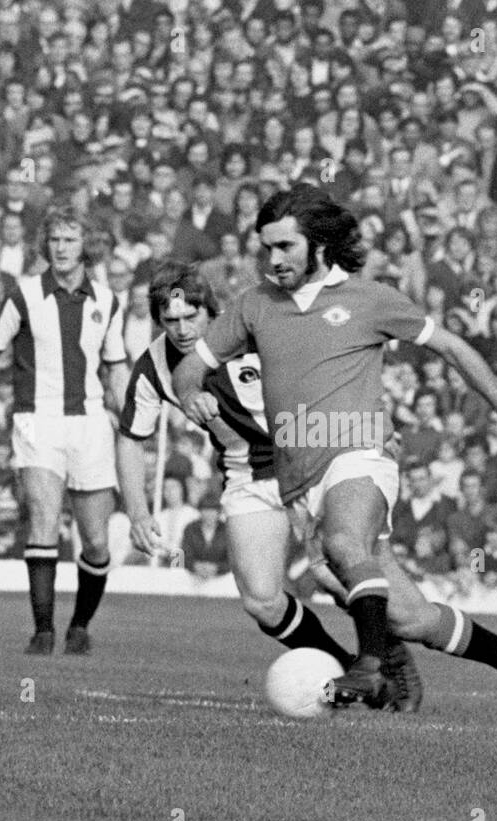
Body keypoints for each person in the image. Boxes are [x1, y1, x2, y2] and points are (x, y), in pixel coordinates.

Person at [174, 184, 497, 726]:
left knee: (343, 540)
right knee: (410, 617)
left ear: (319, 245)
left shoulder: (369, 300)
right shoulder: (254, 305)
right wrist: (191, 390)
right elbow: (190, 364)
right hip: (299, 482)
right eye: (267, 248)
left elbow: (451, 347)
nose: (274, 259)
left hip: (361, 457)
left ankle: (368, 666)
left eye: (285, 247)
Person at [115, 261, 352, 669]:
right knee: (262, 601)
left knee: (335, 572)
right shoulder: (152, 366)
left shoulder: (252, 332)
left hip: (307, 455)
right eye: (170, 321)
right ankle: (345, 665)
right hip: (246, 472)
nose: (182, 330)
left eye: (192, 317)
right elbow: (131, 439)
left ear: (211, 310)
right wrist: (137, 511)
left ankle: (386, 658)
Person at [0, 207, 130, 655]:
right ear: (43, 245)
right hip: (38, 418)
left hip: (89, 420)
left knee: (94, 540)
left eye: (70, 239)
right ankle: (42, 630)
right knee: (44, 518)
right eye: (54, 240)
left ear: (84, 245)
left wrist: (132, 421)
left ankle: (80, 626)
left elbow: (116, 368)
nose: (61, 248)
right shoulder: (24, 295)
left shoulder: (107, 301)